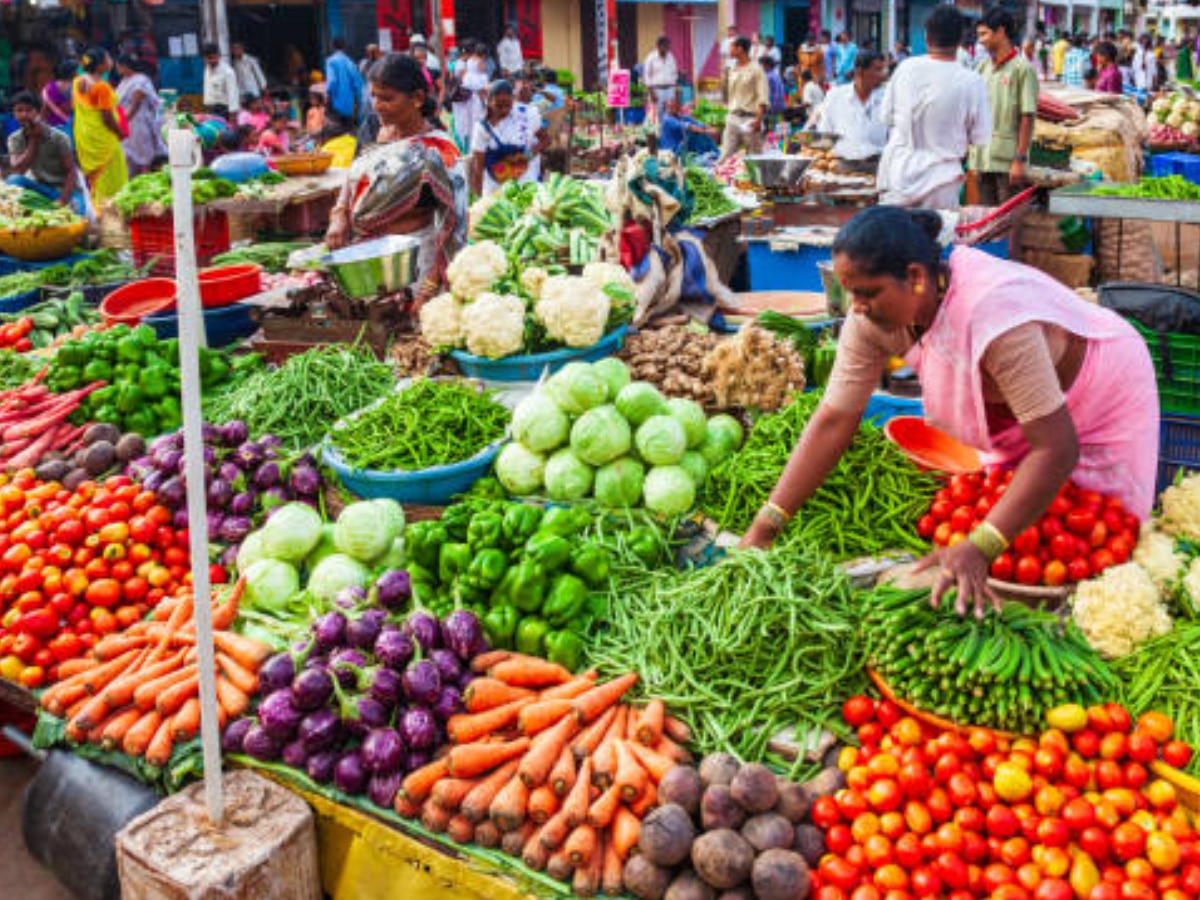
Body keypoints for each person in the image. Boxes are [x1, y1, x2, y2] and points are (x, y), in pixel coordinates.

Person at [739, 206, 1159, 617]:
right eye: (851, 293)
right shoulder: (869, 320)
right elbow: (834, 420)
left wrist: (980, 546)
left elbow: (1055, 449)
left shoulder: (992, 311)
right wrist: (766, 525)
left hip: (1100, 390)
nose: (857, 306)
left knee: (1100, 546)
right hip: (1018, 413)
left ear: (916, 278)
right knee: (1029, 535)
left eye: (867, 293)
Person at [325, 53, 464, 307]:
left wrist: (429, 288)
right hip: (363, 261)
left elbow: (455, 226)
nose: (377, 105)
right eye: (374, 96)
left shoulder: (438, 151)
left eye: (387, 98)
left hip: (413, 266)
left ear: (417, 98)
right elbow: (353, 174)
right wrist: (339, 214)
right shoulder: (372, 128)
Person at [876, 6, 991, 210]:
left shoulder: (905, 68)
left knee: (894, 231)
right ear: (960, 40)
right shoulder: (973, 81)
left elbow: (886, 117)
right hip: (941, 183)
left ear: (927, 37)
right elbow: (980, 138)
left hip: (898, 176)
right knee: (936, 231)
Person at [969, 8, 1038, 206]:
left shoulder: (1022, 69)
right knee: (987, 215)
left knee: (1008, 218)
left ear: (1000, 32)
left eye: (984, 34)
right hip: (983, 158)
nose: (980, 40)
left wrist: (1019, 160)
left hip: (1008, 161)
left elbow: (1027, 116)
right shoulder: (982, 68)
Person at [5, 91, 83, 213]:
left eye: (29, 110)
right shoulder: (15, 138)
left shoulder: (59, 137)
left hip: (65, 190)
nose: (24, 114)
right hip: (40, 188)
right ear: (14, 114)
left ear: (38, 112)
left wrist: (63, 201)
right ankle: (42, 208)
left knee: (78, 213)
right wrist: (34, 140)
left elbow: (71, 172)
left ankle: (48, 207)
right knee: (13, 180)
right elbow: (18, 169)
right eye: (19, 110)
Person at [469, 80, 547, 197]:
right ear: (489, 102)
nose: (504, 109)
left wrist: (526, 156)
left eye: (507, 105)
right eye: (498, 105)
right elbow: (478, 167)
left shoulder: (525, 115)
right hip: (495, 187)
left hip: (524, 183)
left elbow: (546, 140)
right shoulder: (482, 127)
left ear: (513, 100)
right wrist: (478, 199)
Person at [808, 51, 888, 164]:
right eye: (877, 70)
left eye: (883, 70)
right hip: (842, 165)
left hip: (878, 165)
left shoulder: (886, 99)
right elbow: (825, 134)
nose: (883, 75)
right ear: (860, 72)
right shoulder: (835, 97)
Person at [73, 47, 128, 203]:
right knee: (113, 177)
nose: (111, 61)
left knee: (97, 179)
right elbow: (107, 117)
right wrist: (120, 132)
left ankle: (98, 207)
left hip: (88, 136)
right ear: (100, 65)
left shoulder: (78, 81)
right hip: (104, 139)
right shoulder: (101, 87)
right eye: (108, 57)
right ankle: (110, 208)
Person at [115, 56, 166, 177]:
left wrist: (124, 121)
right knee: (129, 155)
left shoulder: (141, 80)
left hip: (139, 122)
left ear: (125, 66)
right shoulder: (124, 81)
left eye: (118, 66)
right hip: (127, 123)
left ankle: (150, 177)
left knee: (145, 155)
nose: (117, 69)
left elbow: (135, 104)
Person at [720, 37, 769, 159]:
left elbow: (763, 97)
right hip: (733, 117)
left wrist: (758, 120)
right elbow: (726, 95)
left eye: (732, 46)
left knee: (754, 158)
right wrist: (723, 77)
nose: (729, 50)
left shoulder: (756, 69)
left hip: (750, 119)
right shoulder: (731, 69)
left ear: (740, 49)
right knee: (725, 156)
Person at [451, 42, 489, 150]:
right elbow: (482, 91)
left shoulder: (471, 75)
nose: (484, 64)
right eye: (482, 61)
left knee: (470, 128)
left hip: (471, 105)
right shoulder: (474, 76)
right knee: (473, 127)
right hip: (473, 105)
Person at [326, 37, 365, 127]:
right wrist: (358, 99)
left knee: (336, 128)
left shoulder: (331, 61)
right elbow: (358, 82)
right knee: (349, 128)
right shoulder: (349, 61)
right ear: (344, 47)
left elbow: (332, 81)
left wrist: (328, 95)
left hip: (336, 102)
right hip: (349, 103)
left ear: (333, 47)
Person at [644, 37, 680, 124]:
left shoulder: (671, 57)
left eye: (668, 47)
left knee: (670, 112)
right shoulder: (651, 58)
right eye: (665, 46)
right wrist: (651, 92)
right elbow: (647, 75)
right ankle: (658, 130)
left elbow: (674, 74)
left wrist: (676, 90)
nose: (667, 49)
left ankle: (667, 130)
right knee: (657, 113)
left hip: (669, 89)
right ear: (658, 46)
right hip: (657, 89)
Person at [202, 43, 240, 118]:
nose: (211, 61)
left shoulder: (228, 72)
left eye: (213, 57)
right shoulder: (206, 69)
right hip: (210, 109)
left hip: (224, 110)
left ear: (219, 55)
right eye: (208, 58)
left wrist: (232, 116)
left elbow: (233, 95)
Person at [41, 59, 75, 131]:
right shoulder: (78, 87)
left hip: (54, 127)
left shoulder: (49, 87)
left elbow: (45, 110)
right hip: (73, 127)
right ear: (74, 72)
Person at [762, 56, 788, 124]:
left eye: (762, 65)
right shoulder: (777, 76)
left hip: (770, 107)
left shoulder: (767, 77)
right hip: (780, 106)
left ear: (767, 66)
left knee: (768, 126)